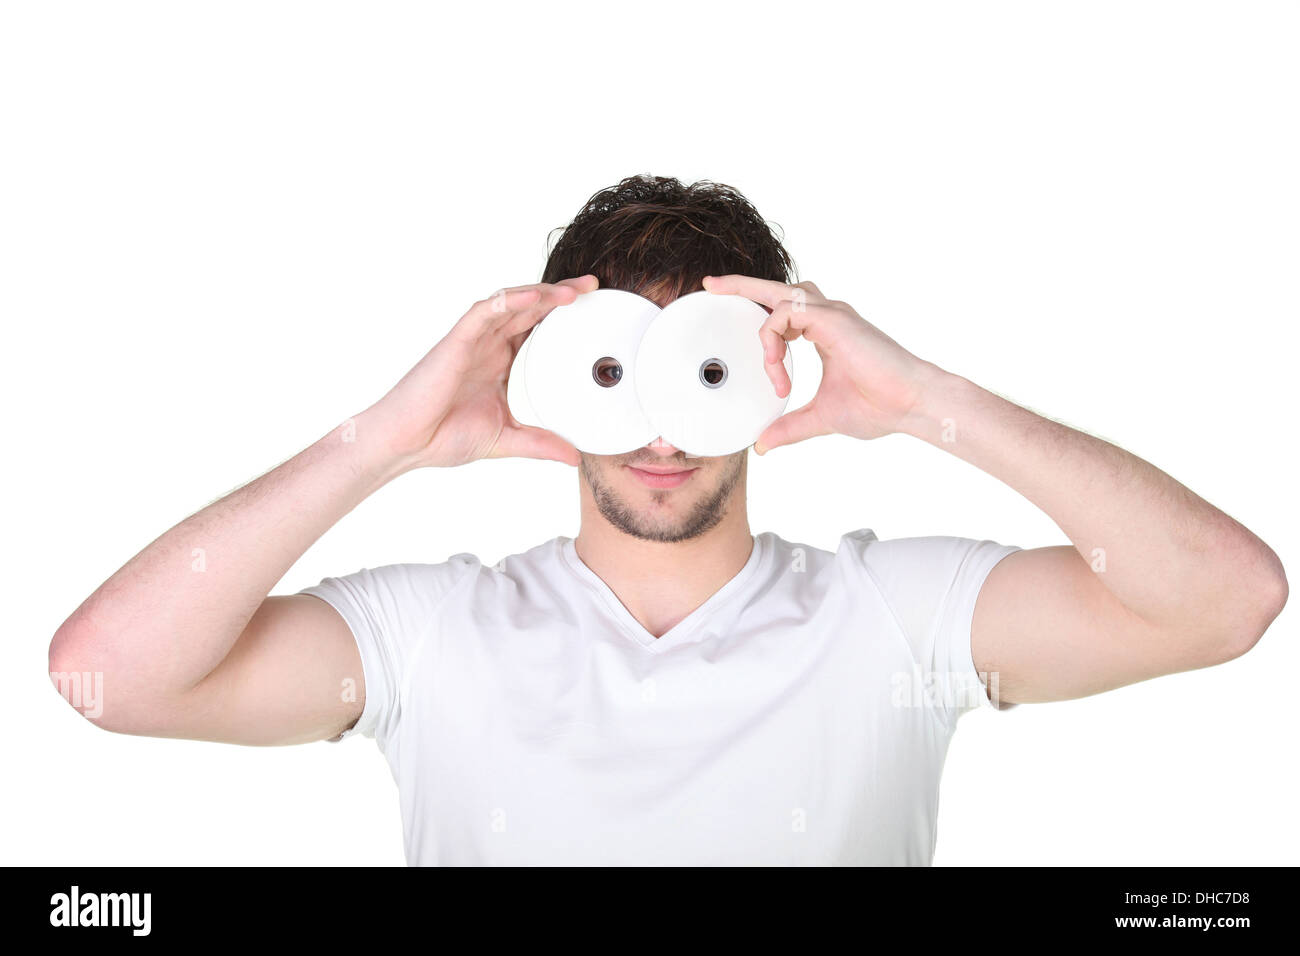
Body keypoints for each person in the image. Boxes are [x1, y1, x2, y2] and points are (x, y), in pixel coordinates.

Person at [48, 174, 1287, 865]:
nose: (661, 431)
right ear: (545, 368)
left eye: (702, 374)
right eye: (611, 371)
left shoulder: (897, 620)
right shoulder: (431, 633)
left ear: (774, 369)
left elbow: (1230, 598)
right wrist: (381, 441)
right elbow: (105, 673)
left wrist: (929, 404)